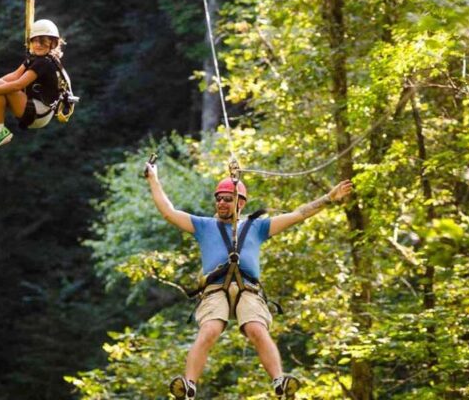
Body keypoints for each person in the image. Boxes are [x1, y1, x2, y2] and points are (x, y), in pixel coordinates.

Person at [144, 162, 353, 400]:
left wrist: (328, 198)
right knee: (209, 330)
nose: (222, 203)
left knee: (256, 328)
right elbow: (168, 212)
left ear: (240, 203)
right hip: (215, 290)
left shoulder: (257, 227)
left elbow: (298, 215)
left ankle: (280, 382)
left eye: (227, 199)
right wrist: (153, 179)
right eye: (219, 199)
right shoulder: (204, 226)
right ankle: (189, 386)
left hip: (249, 290)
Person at [0, 19, 64, 153]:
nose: (38, 45)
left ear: (53, 42)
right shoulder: (34, 59)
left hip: (39, 113)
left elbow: (18, 85)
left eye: (43, 41)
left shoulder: (44, 63)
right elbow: (15, 76)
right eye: (34, 41)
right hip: (35, 110)